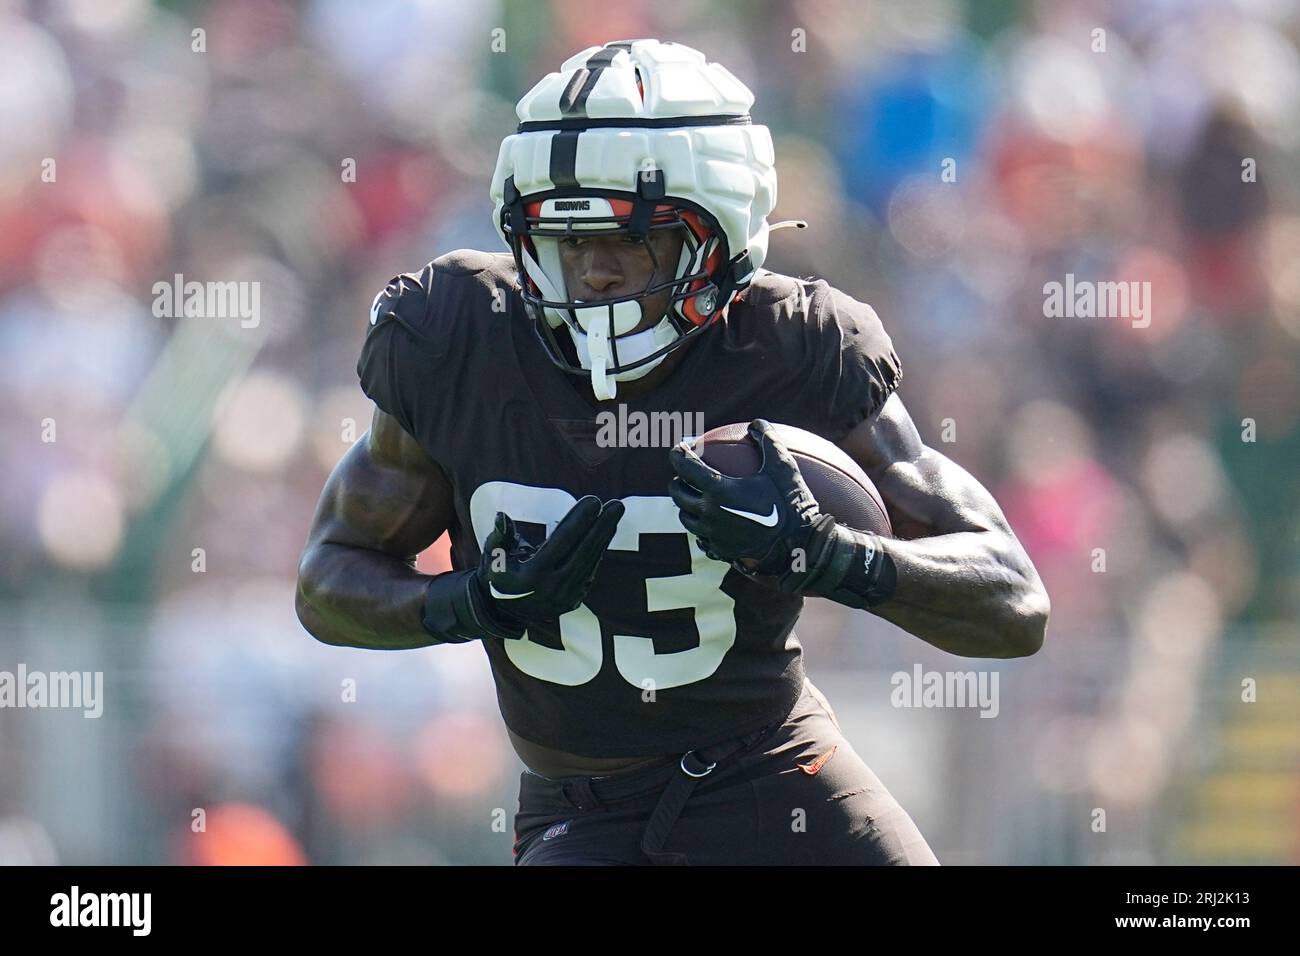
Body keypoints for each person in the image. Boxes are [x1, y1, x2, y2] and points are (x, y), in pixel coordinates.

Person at [296, 39, 1049, 865]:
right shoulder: (456, 339)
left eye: (634, 242)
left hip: (775, 765)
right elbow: (328, 582)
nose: (595, 275)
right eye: (568, 242)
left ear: (723, 234)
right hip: (583, 810)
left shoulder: (791, 345)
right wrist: (469, 602)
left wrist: (831, 556)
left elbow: (1013, 603)